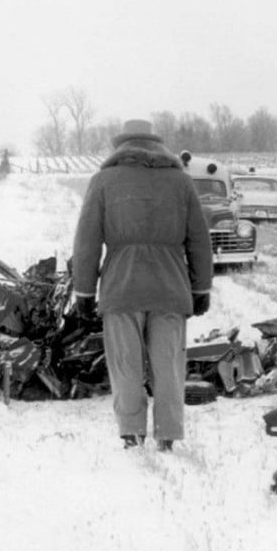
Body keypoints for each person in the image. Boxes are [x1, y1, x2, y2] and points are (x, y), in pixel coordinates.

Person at [72, 119, 213, 451]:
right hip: (170, 288)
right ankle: (167, 436)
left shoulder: (103, 181)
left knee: (125, 365)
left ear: (120, 145)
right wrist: (201, 287)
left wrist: (84, 290)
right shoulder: (180, 181)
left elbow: (87, 240)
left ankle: (132, 434)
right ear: (156, 144)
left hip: (122, 288)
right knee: (169, 367)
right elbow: (199, 240)